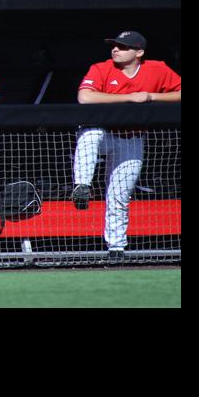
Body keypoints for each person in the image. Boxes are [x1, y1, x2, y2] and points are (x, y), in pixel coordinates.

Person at [75, 30, 181, 256]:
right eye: (114, 45)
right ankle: (82, 185)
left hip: (131, 138)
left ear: (139, 52)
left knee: (119, 196)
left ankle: (116, 248)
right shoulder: (101, 68)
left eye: (123, 47)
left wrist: (152, 96)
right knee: (89, 135)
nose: (115, 49)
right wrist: (130, 98)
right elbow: (85, 97)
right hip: (103, 133)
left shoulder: (157, 68)